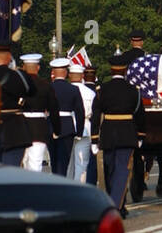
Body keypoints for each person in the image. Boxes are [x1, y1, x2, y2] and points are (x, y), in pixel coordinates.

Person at [91, 52, 147, 217]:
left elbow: (95, 116)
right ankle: (117, 205)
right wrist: (141, 135)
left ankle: (114, 205)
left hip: (108, 133)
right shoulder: (134, 91)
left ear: (111, 70)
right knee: (121, 170)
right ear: (125, 71)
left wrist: (95, 138)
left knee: (111, 170)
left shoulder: (102, 90)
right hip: (127, 133)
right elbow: (140, 115)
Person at [0, 42, 32, 166]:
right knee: (12, 173)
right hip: (15, 130)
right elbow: (32, 92)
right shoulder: (19, 77)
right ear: (9, 57)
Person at [18, 54, 60, 172]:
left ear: (23, 67)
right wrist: (57, 130)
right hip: (39, 128)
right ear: (38, 67)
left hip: (21, 127)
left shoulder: (18, 85)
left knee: (22, 163)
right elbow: (54, 109)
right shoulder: (46, 86)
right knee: (36, 164)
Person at [49, 57, 84, 176]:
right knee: (64, 161)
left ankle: (55, 179)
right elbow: (80, 112)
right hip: (67, 127)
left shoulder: (49, 87)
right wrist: (79, 132)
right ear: (66, 73)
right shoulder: (73, 89)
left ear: (53, 72)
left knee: (53, 160)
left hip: (51, 126)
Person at [67, 62, 97, 184]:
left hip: (68, 126)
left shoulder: (66, 89)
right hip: (85, 127)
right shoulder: (90, 93)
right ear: (82, 76)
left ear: (69, 75)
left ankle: (67, 187)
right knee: (82, 163)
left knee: (68, 162)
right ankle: (79, 188)